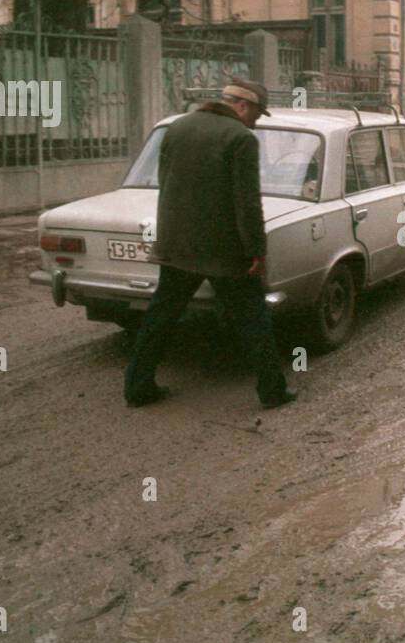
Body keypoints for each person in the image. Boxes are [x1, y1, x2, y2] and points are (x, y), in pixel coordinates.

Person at [123, 81, 295, 409]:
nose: (256, 122)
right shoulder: (240, 138)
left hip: (176, 243)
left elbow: (166, 181)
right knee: (253, 320)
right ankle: (272, 391)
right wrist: (257, 250)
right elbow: (247, 203)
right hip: (224, 250)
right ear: (243, 107)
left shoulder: (177, 126)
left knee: (160, 317)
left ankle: (137, 387)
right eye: (257, 114)